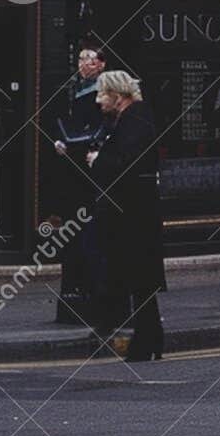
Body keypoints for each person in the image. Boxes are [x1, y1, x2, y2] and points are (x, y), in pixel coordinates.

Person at [87, 70, 166, 363]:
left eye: (101, 94)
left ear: (117, 96)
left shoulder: (136, 120)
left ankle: (146, 341)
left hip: (136, 212)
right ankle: (150, 339)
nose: (98, 100)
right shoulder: (127, 119)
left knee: (139, 275)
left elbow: (126, 163)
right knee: (139, 278)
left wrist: (98, 160)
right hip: (132, 210)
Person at [49, 46, 112, 325]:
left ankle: (91, 290)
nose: (83, 64)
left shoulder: (104, 93)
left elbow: (99, 130)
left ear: (101, 64)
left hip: (89, 168)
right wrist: (60, 141)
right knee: (75, 229)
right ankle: (76, 288)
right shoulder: (73, 89)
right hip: (73, 169)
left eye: (89, 59)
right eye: (80, 59)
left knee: (89, 231)